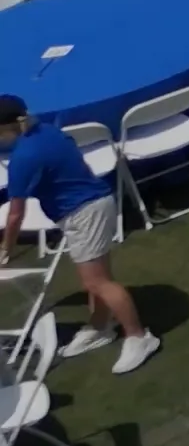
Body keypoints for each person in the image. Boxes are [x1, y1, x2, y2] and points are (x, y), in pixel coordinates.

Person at [0, 96, 156, 370]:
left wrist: (5, 249)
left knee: (97, 283)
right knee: (98, 277)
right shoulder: (49, 131)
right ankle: (100, 325)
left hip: (84, 214)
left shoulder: (23, 158)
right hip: (93, 206)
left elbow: (15, 216)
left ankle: (139, 337)